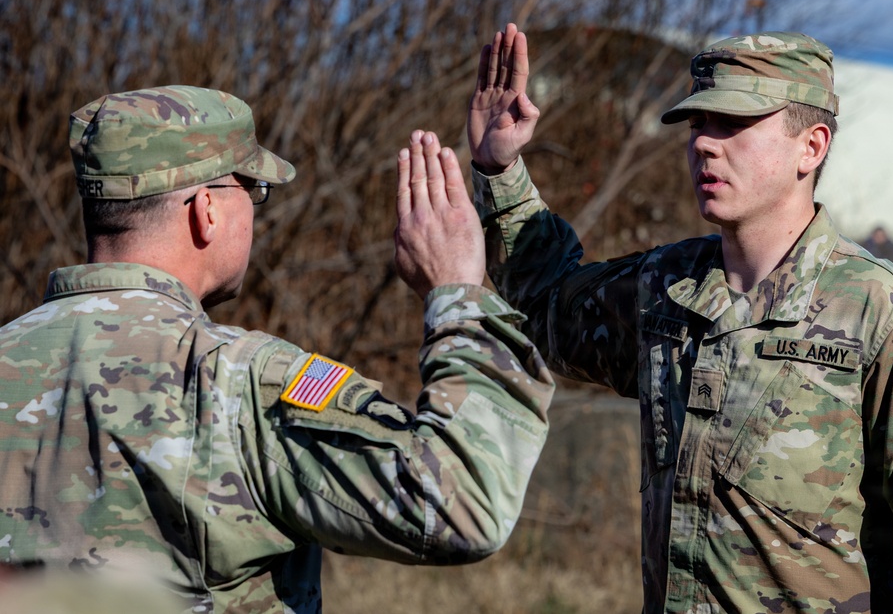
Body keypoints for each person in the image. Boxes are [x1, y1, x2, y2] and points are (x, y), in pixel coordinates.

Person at [462, 24, 893, 613]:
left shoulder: (886, 312)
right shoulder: (665, 288)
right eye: (698, 125)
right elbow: (546, 304)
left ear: (812, 146)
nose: (705, 145)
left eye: (735, 124)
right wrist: (499, 169)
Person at [0, 85, 555, 612]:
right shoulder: (237, 382)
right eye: (252, 189)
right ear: (206, 210)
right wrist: (457, 292)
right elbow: (462, 506)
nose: (255, 211)